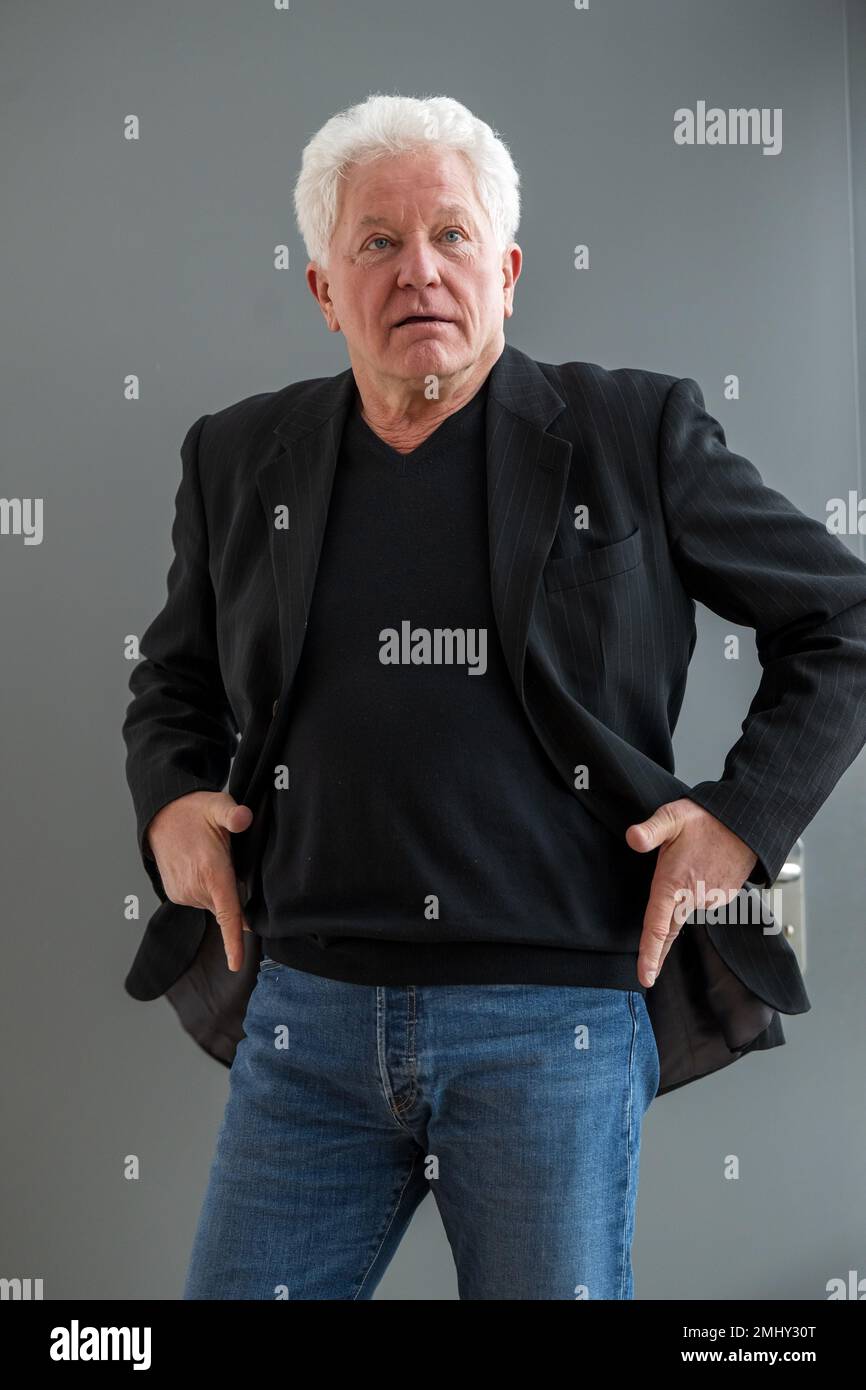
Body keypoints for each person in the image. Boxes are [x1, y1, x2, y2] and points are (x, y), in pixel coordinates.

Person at [122, 93, 866, 1299]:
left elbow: (843, 619)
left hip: (553, 1018)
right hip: (305, 1016)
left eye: (452, 236)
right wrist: (168, 807)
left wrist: (737, 826)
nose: (419, 269)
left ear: (507, 271)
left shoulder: (633, 431)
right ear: (324, 287)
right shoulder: (235, 456)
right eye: (376, 242)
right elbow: (172, 682)